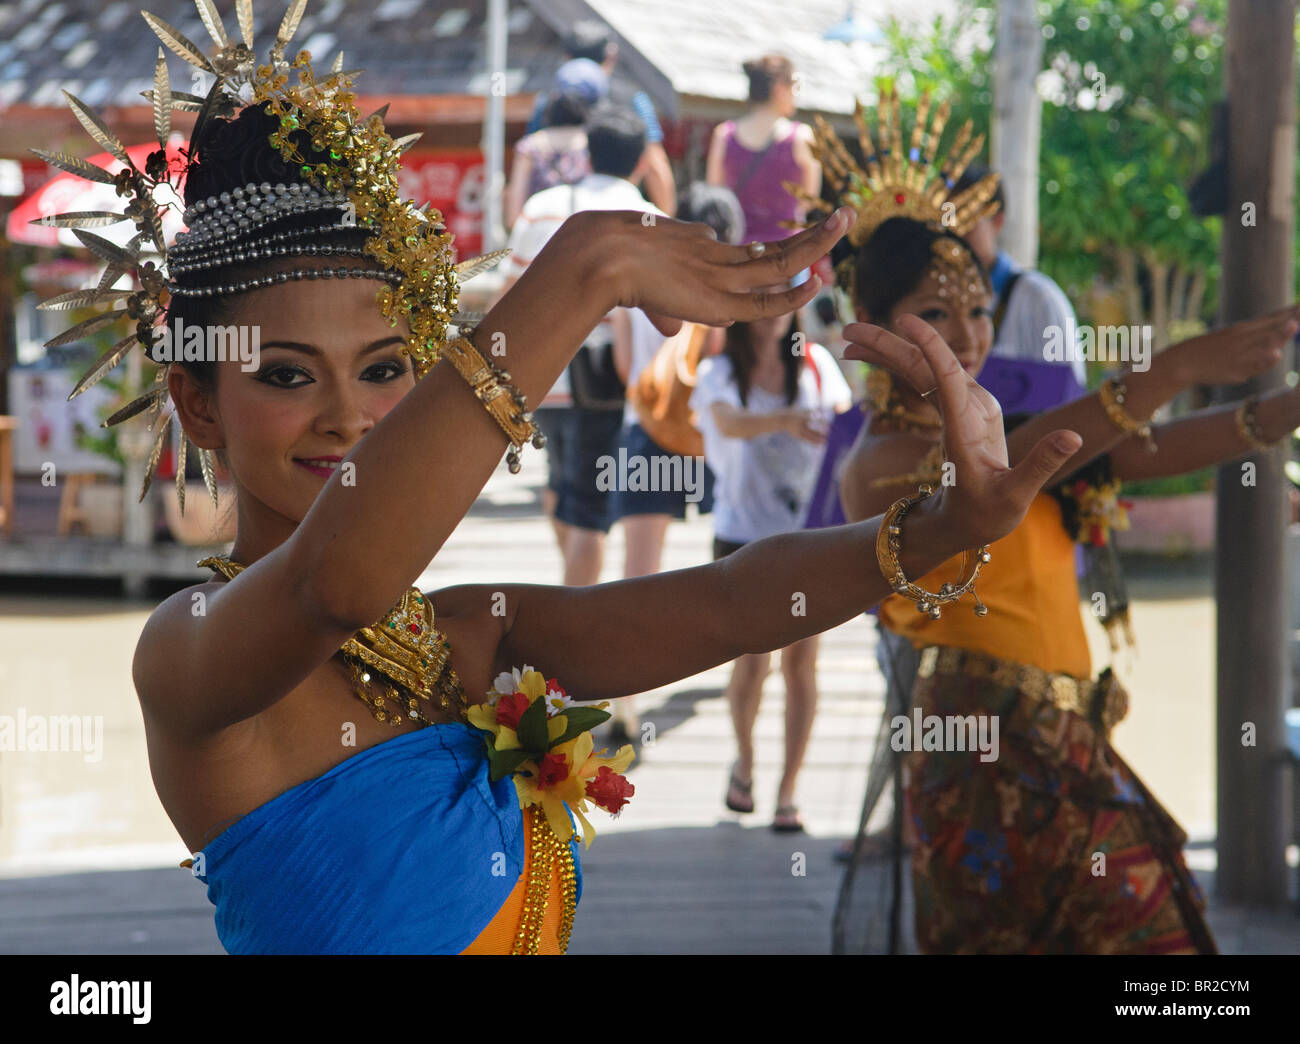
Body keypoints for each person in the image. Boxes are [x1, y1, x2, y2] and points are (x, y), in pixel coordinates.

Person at [49, 1, 1092, 955]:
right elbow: (335, 582)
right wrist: (588, 267)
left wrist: (944, 527)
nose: (347, 416)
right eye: (284, 375)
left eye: (383, 371)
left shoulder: (462, 638)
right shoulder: (186, 656)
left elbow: (732, 600)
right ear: (195, 405)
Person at [824, 116, 1300, 952]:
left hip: (1073, 754)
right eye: (935, 313)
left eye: (976, 309)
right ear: (869, 317)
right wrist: (1178, 367)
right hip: (976, 763)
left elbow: (1157, 449)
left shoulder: (1020, 432)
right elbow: (997, 470)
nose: (967, 335)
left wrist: (1281, 411)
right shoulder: (879, 464)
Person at [690, 282, 853, 831]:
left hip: (811, 536)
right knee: (751, 663)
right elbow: (727, 423)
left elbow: (845, 424)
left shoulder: (816, 365)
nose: (777, 313)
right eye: (764, 301)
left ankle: (788, 792)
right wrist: (784, 422)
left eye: (786, 301)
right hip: (743, 537)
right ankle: (747, 762)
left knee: (802, 665)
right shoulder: (719, 373)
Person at [604, 183, 744, 747]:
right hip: (715, 440)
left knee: (638, 575)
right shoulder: (728, 289)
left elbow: (622, 367)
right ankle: (743, 668)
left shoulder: (634, 283)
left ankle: (624, 703)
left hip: (645, 433)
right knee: (738, 551)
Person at [500, 105, 663, 587]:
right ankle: (574, 611)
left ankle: (570, 577)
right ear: (640, 162)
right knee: (591, 505)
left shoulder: (541, 206)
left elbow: (510, 295)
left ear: (587, 155)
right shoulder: (651, 219)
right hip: (609, 380)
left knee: (559, 480)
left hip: (544, 375)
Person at [955, 163, 1086, 396]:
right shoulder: (935, 302)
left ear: (997, 221)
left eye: (967, 221)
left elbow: (1069, 396)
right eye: (946, 222)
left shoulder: (1040, 299)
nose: (954, 234)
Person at [525, 21, 677, 217]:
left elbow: (527, 158)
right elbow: (656, 165)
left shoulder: (546, 101)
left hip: (550, 220)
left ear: (567, 57)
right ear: (611, 56)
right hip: (618, 219)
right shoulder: (633, 100)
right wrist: (665, 222)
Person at [706, 54, 821, 246]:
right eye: (795, 86)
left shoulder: (724, 135)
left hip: (735, 250)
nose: (797, 94)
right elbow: (810, 199)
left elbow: (715, 196)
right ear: (779, 89)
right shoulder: (802, 136)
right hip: (786, 252)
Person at [503, 62, 604, 229]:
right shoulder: (595, 144)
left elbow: (513, 217)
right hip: (585, 235)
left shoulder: (529, 148)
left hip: (541, 235)